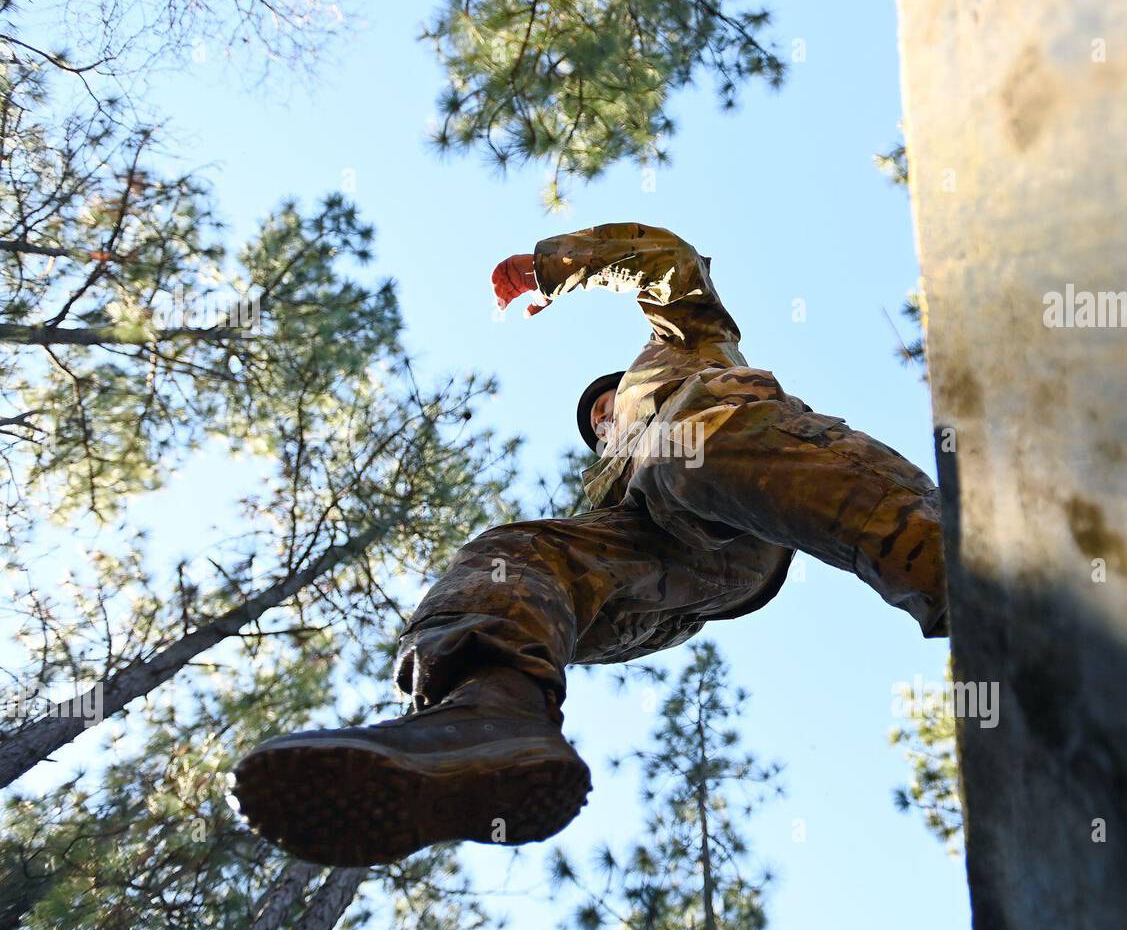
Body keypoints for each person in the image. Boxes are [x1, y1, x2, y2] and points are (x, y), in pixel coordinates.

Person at [232, 222, 949, 866]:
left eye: (608, 404)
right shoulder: (616, 478)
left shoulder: (682, 345)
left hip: (738, 463)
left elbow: (665, 261)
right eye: (599, 424)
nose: (605, 420)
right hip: (679, 567)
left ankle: (958, 563)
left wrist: (554, 267)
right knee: (515, 554)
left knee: (680, 448)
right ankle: (487, 717)